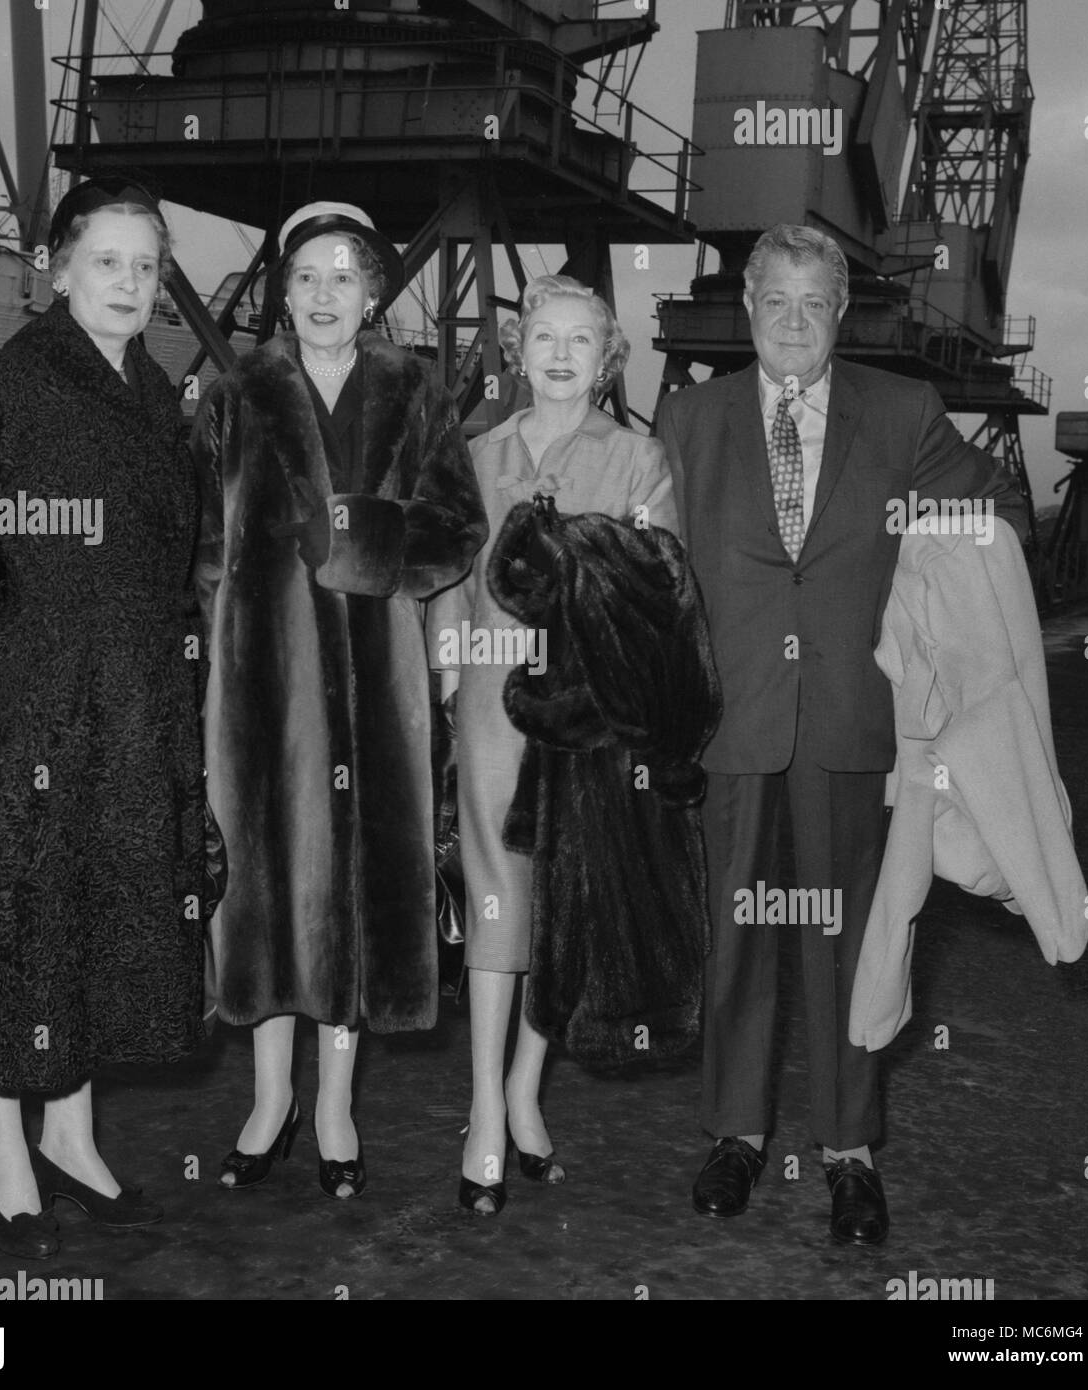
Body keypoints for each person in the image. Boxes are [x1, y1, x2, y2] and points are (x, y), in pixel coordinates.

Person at [655, 223, 1028, 1245]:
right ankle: (733, 1133)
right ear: (745, 310)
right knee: (734, 940)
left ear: (838, 314)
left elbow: (992, 510)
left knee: (848, 943)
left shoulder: (902, 412)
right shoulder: (688, 419)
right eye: (773, 301)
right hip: (729, 729)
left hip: (852, 730)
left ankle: (847, 1150)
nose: (790, 322)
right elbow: (651, 569)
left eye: (811, 304)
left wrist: (923, 599)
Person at [0, 179, 206, 1257]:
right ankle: (0, 1154)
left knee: (91, 917)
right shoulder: (19, 380)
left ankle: (70, 1136)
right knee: (16, 921)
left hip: (131, 708)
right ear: (58, 265)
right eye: (109, 260)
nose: (130, 282)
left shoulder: (154, 389)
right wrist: (10, 661)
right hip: (44, 709)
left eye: (146, 263)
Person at [193, 202, 487, 1200]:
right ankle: (268, 1099)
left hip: (373, 672)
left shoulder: (414, 390)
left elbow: (455, 528)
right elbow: (202, 544)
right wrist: (223, 644)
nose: (321, 295)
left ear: (372, 293)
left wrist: (362, 545)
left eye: (341, 277)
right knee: (267, 877)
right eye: (303, 276)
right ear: (282, 290)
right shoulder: (240, 390)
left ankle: (334, 1107)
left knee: (358, 878)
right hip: (262, 680)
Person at [426, 275, 678, 1215]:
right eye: (545, 338)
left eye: (583, 341)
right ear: (519, 350)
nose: (562, 355)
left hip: (589, 708)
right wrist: (450, 660)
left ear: (608, 359)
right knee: (497, 900)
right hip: (493, 702)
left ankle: (528, 1091)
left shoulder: (639, 458)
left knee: (565, 901)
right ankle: (484, 1109)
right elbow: (448, 570)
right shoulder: (475, 453)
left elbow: (659, 587)